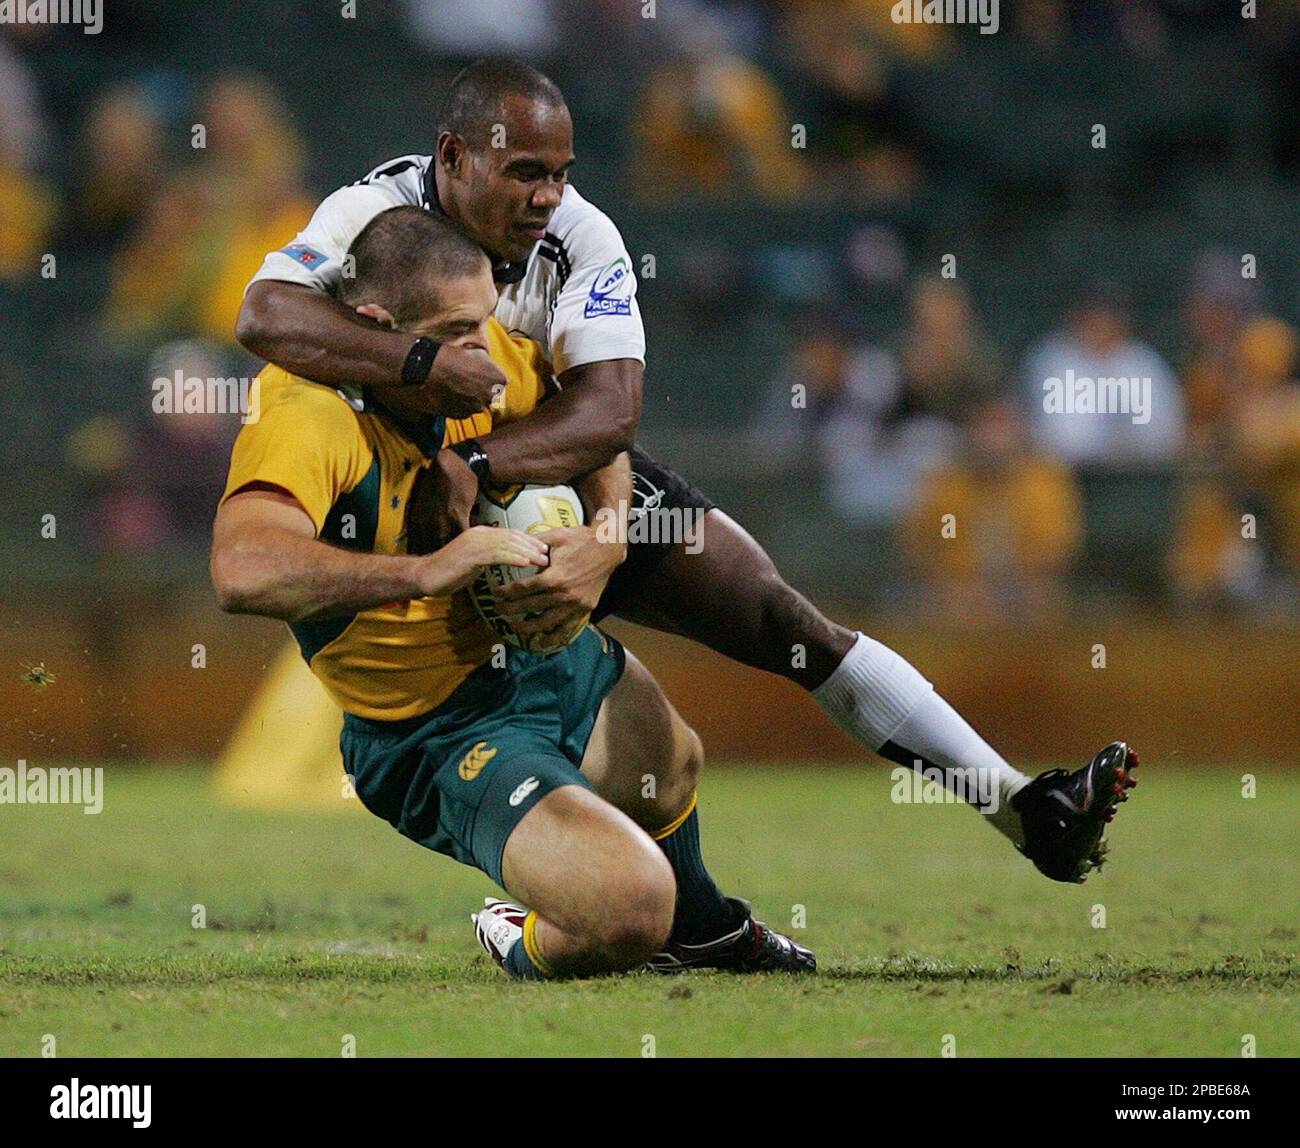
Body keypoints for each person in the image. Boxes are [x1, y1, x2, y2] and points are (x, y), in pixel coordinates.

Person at [236, 57, 1138, 887]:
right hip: (402, 481)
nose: (549, 196)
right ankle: (553, 873)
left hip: (559, 472)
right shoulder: (374, 210)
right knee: (452, 696)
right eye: (525, 173)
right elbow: (265, 316)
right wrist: (427, 374)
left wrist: (564, 511)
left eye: (561, 172)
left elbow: (611, 412)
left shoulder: (583, 235)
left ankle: (1025, 808)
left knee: (783, 619)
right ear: (453, 156)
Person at [212, 207, 813, 978]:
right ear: (377, 328)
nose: (483, 356)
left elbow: (598, 427)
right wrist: (425, 572)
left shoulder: (488, 358)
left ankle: (703, 933)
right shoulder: (309, 411)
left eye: (485, 323)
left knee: (673, 765)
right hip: (434, 730)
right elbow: (242, 570)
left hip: (541, 658)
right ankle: (517, 937)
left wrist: (607, 532)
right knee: (630, 911)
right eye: (458, 331)